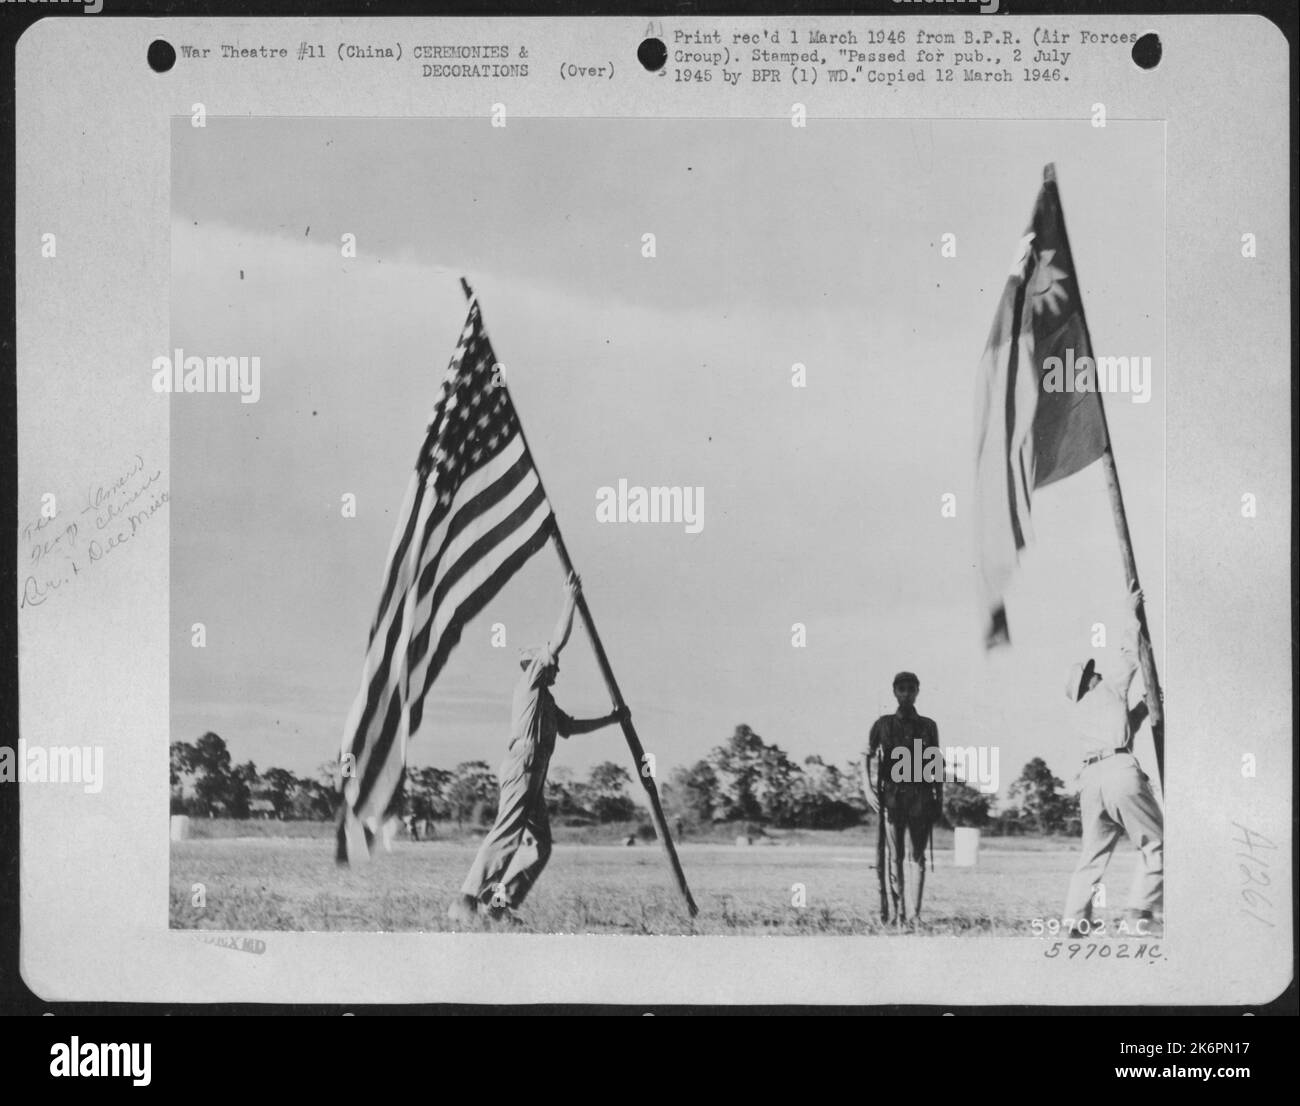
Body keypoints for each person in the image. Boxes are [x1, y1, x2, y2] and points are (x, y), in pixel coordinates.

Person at [447, 573, 629, 927]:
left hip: (535, 772)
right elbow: (558, 643)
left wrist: (613, 719)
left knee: (539, 846)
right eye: (550, 664)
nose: (556, 669)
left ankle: (498, 906)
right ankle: (466, 899)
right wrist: (569, 599)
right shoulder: (529, 683)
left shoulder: (546, 700)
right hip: (522, 764)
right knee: (506, 833)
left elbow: (570, 728)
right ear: (534, 665)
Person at [1060, 581, 1163, 937]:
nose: (1096, 672)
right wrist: (1130, 612)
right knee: (1158, 844)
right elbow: (1130, 655)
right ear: (1086, 684)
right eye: (1090, 673)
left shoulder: (1081, 714)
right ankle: (1139, 913)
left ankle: (1075, 921)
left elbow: (1121, 728)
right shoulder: (1106, 689)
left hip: (1090, 780)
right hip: (1119, 771)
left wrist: (1142, 708)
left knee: (1091, 855)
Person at [864, 672, 943, 927]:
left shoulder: (928, 725)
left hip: (921, 796)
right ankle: (896, 912)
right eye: (901, 689)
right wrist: (867, 788)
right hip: (893, 798)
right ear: (894, 692)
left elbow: (935, 762)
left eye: (911, 688)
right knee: (894, 856)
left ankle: (915, 915)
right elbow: (866, 754)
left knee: (917, 857)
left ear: (918, 690)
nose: (906, 693)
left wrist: (938, 797)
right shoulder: (883, 724)